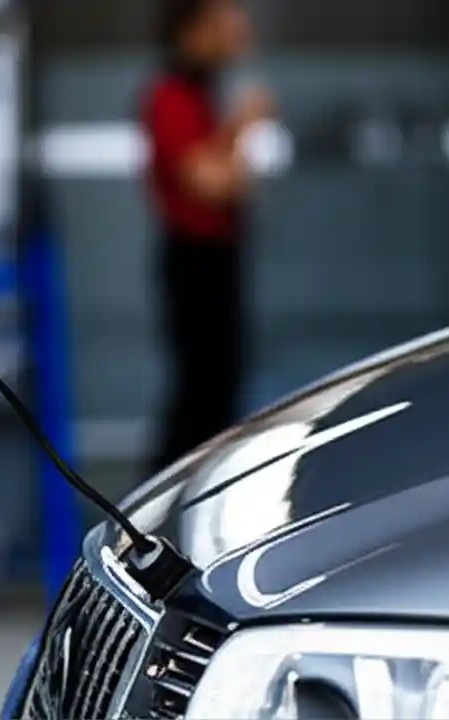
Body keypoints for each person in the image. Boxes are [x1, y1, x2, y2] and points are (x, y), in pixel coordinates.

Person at [143, 0, 274, 474]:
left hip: (218, 257)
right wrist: (241, 127)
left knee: (220, 391)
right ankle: (155, 510)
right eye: (220, 23)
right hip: (194, 262)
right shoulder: (171, 95)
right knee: (199, 396)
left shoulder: (206, 92)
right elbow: (211, 182)